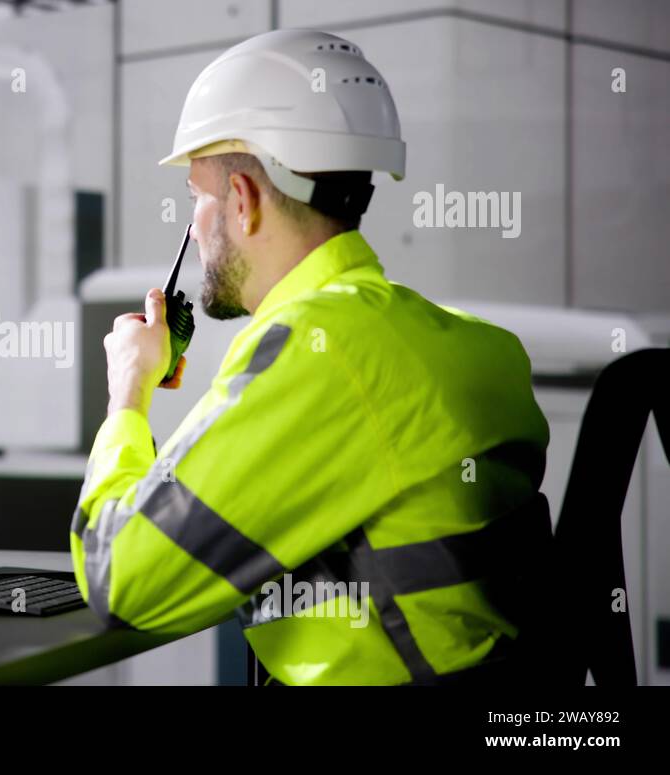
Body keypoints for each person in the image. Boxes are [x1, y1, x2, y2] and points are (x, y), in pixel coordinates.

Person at [71, 29, 553, 685]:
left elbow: (121, 577)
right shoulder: (474, 343)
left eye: (195, 198)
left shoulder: (320, 349)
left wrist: (129, 391)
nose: (193, 230)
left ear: (240, 199)